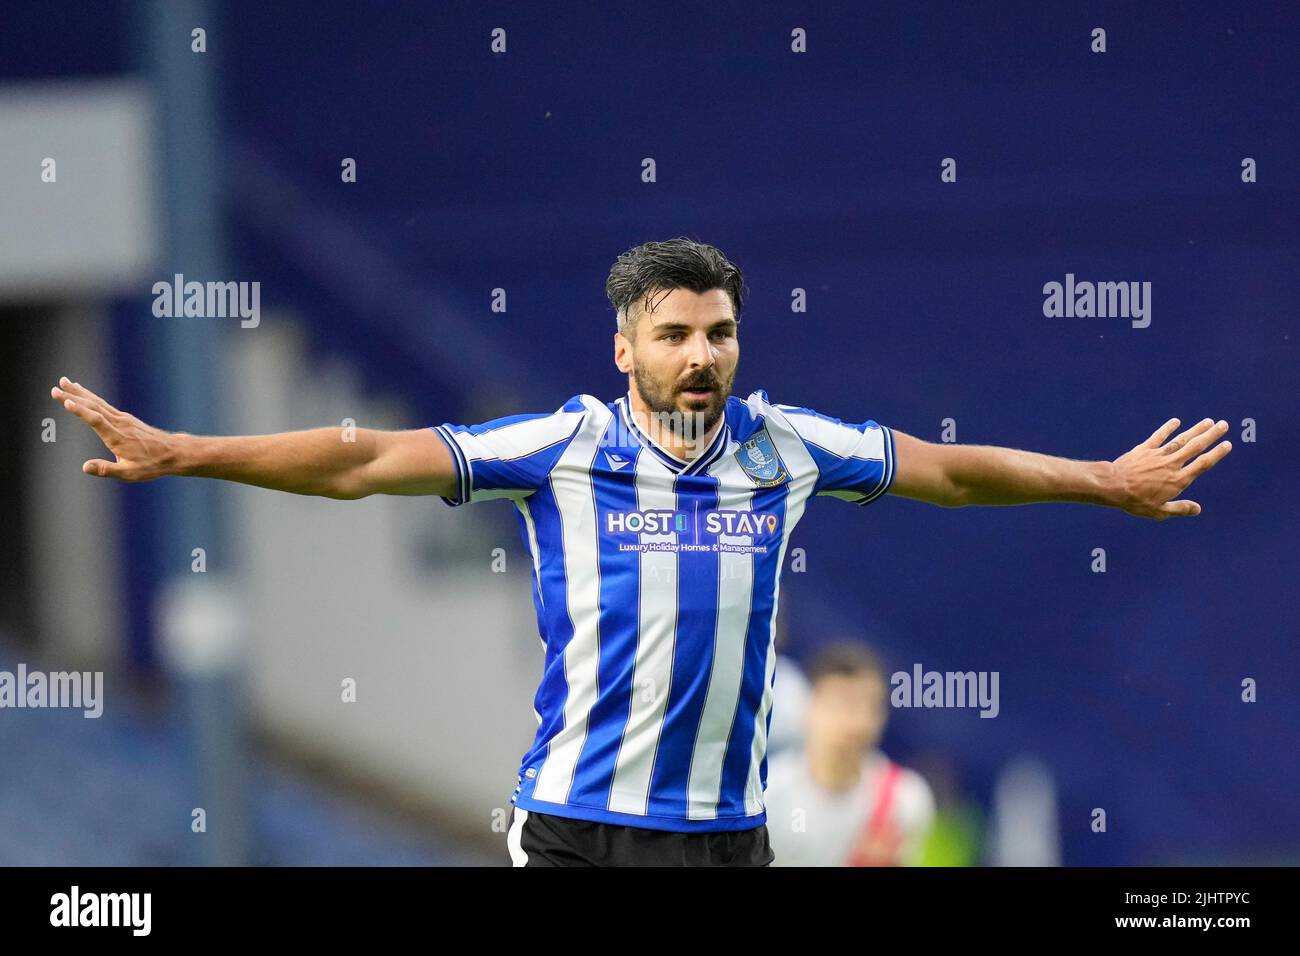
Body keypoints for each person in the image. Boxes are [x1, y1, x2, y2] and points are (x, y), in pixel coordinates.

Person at [50, 237, 1233, 866]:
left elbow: (953, 468)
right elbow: (364, 459)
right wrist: (190, 448)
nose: (701, 354)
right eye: (674, 335)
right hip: (578, 827)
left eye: (719, 331)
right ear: (626, 349)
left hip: (725, 836)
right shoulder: (564, 445)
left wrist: (1101, 482)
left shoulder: (787, 446)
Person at [764, 644, 935, 866]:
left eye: (869, 707)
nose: (857, 722)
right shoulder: (768, 796)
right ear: (811, 706)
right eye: (842, 704)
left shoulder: (905, 798)